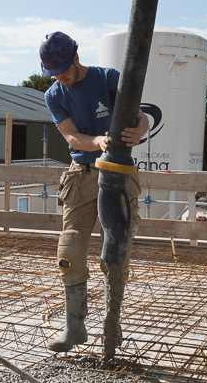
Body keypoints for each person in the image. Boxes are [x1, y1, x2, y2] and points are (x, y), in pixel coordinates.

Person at [39, 32, 149, 359]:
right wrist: (98, 142)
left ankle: (111, 327)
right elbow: (72, 137)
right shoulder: (54, 95)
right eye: (54, 73)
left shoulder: (107, 78)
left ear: (75, 56)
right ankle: (75, 325)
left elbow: (140, 117)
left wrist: (139, 129)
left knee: (115, 251)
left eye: (64, 69)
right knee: (69, 249)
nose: (61, 77)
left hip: (117, 173)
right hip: (81, 174)